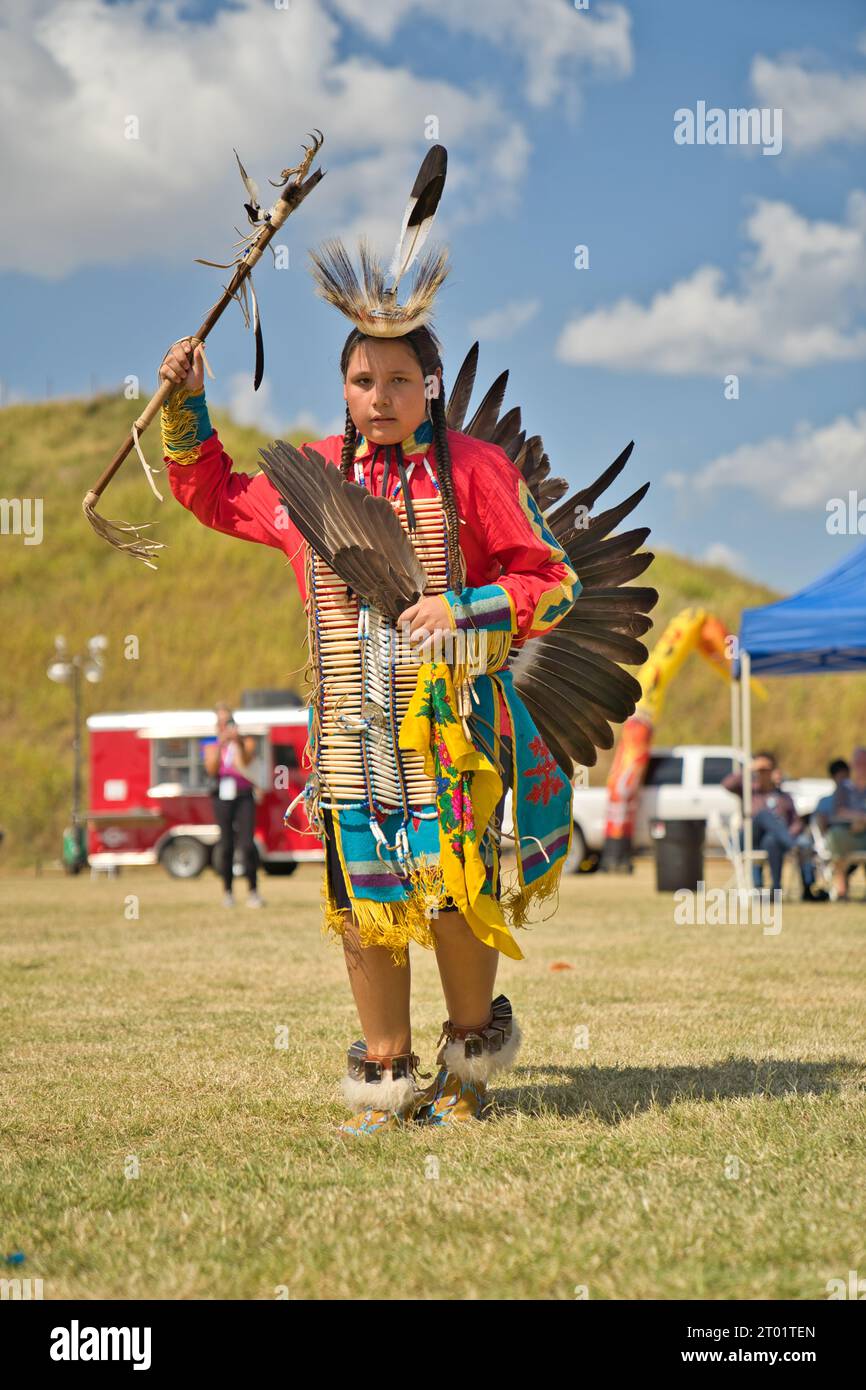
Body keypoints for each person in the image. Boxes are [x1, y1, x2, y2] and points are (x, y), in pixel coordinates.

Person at [156, 146, 652, 1135]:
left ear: (427, 384)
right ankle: (384, 1078)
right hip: (347, 731)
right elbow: (210, 491)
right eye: (360, 377)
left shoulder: (470, 470)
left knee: (451, 899)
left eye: (396, 377)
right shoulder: (310, 485)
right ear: (342, 388)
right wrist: (183, 405)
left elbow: (549, 580)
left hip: (449, 729)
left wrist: (463, 610)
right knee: (361, 908)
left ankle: (465, 1070)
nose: (378, 394)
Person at [723, 751, 825, 900]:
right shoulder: (749, 791)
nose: (763, 774)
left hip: (773, 841)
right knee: (764, 815)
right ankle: (792, 845)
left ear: (774, 771)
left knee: (772, 840)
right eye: (760, 770)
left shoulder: (783, 797)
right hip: (751, 837)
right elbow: (727, 784)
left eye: (767, 769)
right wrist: (748, 768)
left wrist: (788, 832)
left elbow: (796, 821)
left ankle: (775, 888)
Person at [204, 703, 264, 909]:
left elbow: (246, 762)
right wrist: (221, 743)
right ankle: (228, 892)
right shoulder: (212, 744)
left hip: (244, 796)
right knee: (226, 845)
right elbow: (211, 769)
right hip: (222, 796)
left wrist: (236, 741)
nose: (224, 726)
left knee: (247, 844)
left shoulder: (245, 742)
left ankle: (253, 891)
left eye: (227, 721)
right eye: (220, 722)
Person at [825, 746, 866, 900]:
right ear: (853, 765)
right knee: (835, 836)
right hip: (848, 833)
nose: (862, 766)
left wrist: (862, 821)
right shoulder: (844, 787)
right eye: (859, 762)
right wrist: (857, 819)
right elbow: (838, 813)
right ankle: (841, 889)